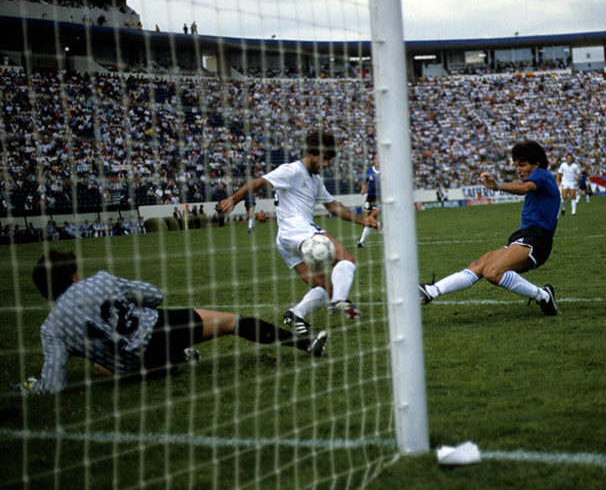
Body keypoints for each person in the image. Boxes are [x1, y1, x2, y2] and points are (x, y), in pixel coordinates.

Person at [12, 250, 327, 395]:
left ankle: (177, 359)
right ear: (72, 275)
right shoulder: (98, 281)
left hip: (133, 367)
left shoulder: (50, 329)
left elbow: (53, 386)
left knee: (99, 364)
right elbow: (155, 295)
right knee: (231, 321)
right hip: (160, 330)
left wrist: (28, 387)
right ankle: (303, 342)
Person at [219, 130, 379, 337]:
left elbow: (332, 206)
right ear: (312, 153)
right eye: (325, 159)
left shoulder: (315, 180)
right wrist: (233, 199)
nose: (327, 164)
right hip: (298, 229)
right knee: (347, 259)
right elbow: (257, 183)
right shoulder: (292, 171)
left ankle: (296, 314)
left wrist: (361, 220)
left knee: (325, 288)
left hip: (285, 240)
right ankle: (340, 301)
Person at [418, 140, 560, 316]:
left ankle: (544, 296)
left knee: (492, 272)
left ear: (536, 164)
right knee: (481, 264)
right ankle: (432, 290)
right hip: (525, 236)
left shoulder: (542, 175)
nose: (518, 170)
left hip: (537, 239)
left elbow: (524, 188)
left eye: (522, 165)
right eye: (516, 165)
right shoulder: (540, 179)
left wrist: (498, 186)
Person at [356, 154, 380, 248]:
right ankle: (379, 226)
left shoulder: (384, 171)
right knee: (365, 220)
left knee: (371, 217)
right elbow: (364, 181)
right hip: (369, 197)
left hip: (379, 198)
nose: (377, 160)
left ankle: (361, 241)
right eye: (375, 158)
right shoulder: (369, 170)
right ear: (373, 160)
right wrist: (363, 188)